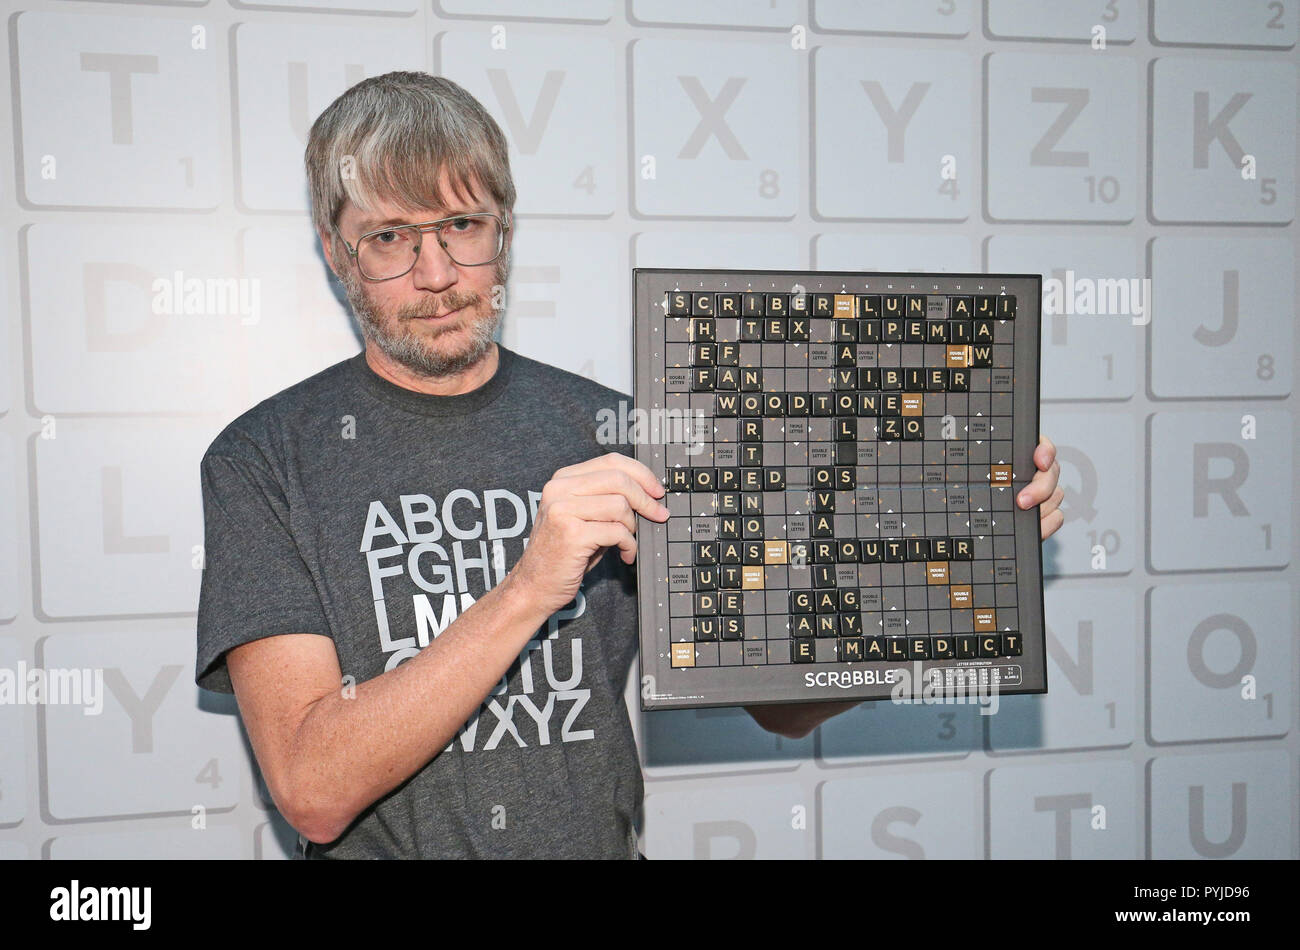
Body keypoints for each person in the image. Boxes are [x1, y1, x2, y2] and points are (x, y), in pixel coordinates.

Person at [194, 71, 1064, 859]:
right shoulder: (264, 460)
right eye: (390, 237)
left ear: (505, 227)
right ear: (335, 246)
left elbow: (779, 702)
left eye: (464, 226)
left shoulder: (622, 428)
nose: (438, 273)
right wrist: (531, 585)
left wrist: (959, 559)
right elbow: (311, 791)